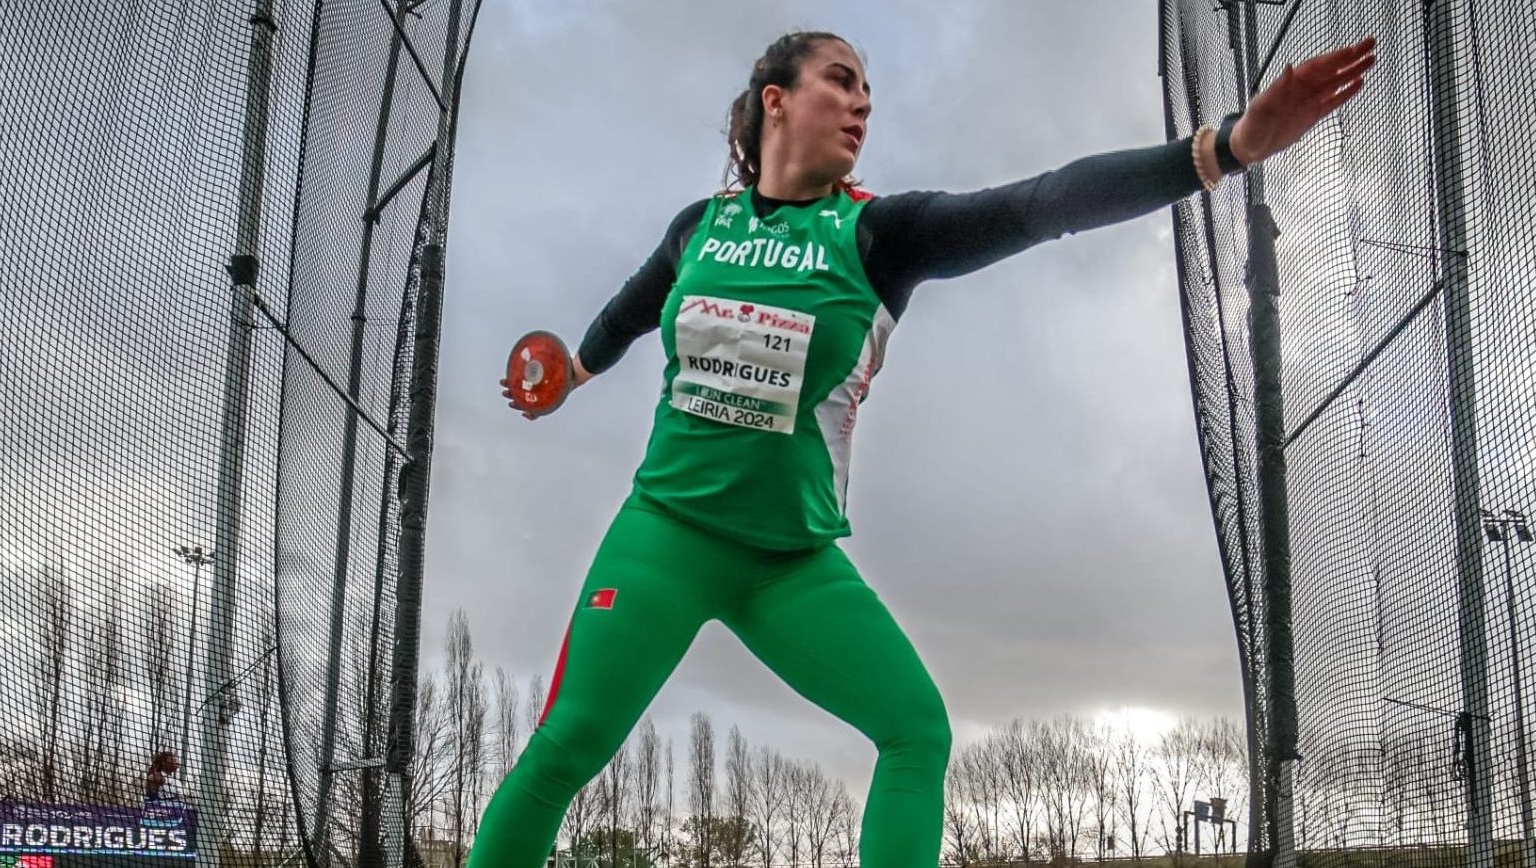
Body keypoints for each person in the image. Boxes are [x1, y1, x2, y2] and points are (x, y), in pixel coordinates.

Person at [471, 29, 1375, 868]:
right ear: (773, 100)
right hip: (664, 535)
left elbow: (1039, 202)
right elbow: (633, 309)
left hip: (789, 563)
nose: (863, 103)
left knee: (915, 731)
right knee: (566, 746)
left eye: (871, 91)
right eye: (841, 81)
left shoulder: (878, 234)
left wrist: (1223, 148)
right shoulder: (696, 228)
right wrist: (573, 369)